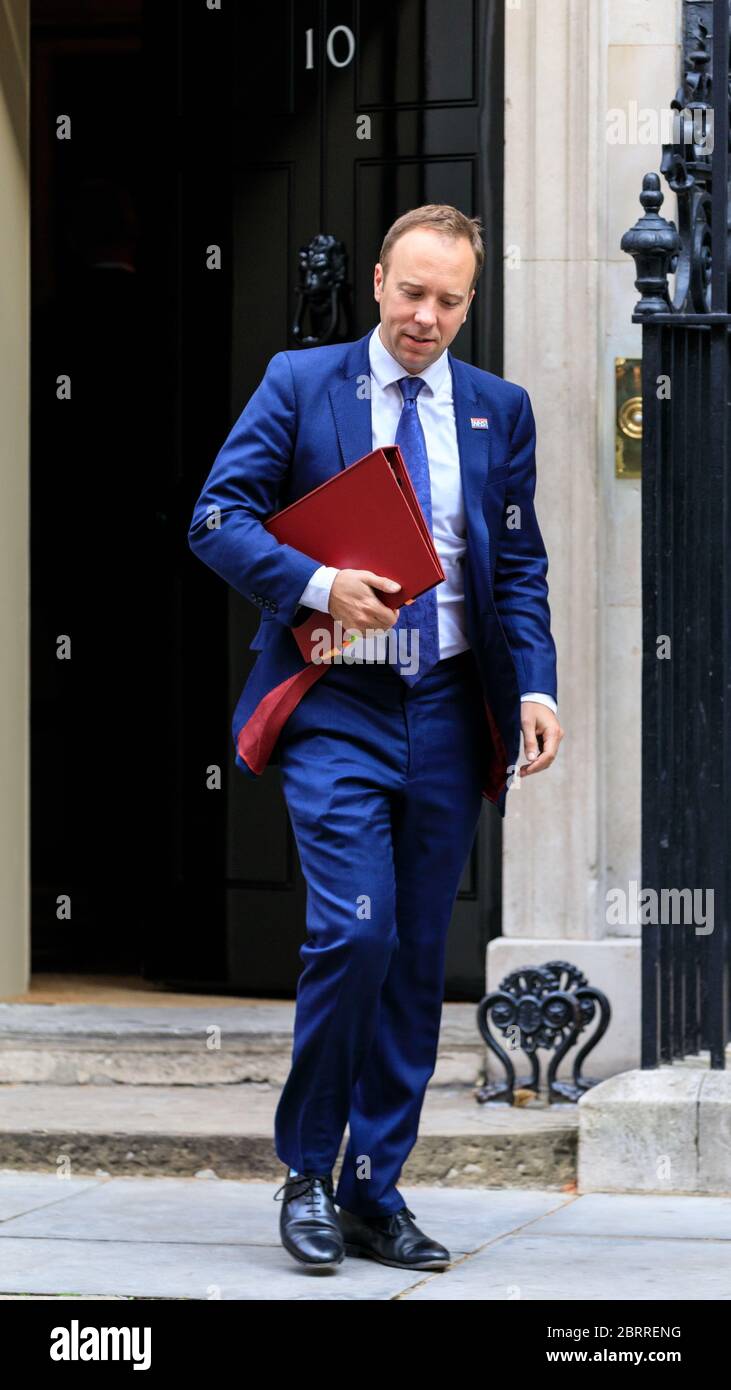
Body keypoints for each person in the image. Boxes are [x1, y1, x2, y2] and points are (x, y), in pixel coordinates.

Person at [188, 204, 563, 1274]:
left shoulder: (498, 410)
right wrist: (317, 583)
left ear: (469, 302)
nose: (426, 317)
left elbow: (519, 568)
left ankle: (372, 1189)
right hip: (335, 706)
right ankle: (305, 1171)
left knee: (410, 961)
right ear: (378, 282)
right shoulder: (301, 383)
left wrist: (531, 685)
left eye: (449, 300)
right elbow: (216, 516)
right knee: (354, 933)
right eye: (411, 292)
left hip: (447, 708)